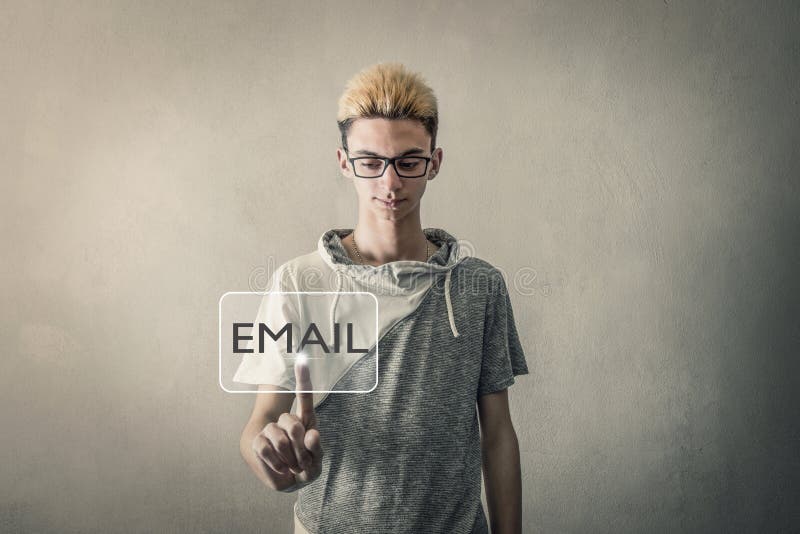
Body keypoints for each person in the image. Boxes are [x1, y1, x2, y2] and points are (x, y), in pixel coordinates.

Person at [236, 62, 529, 534]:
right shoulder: (298, 281)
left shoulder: (480, 285)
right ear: (343, 162)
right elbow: (260, 424)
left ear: (434, 162)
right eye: (371, 162)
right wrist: (276, 464)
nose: (390, 183)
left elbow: (497, 435)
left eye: (408, 162)